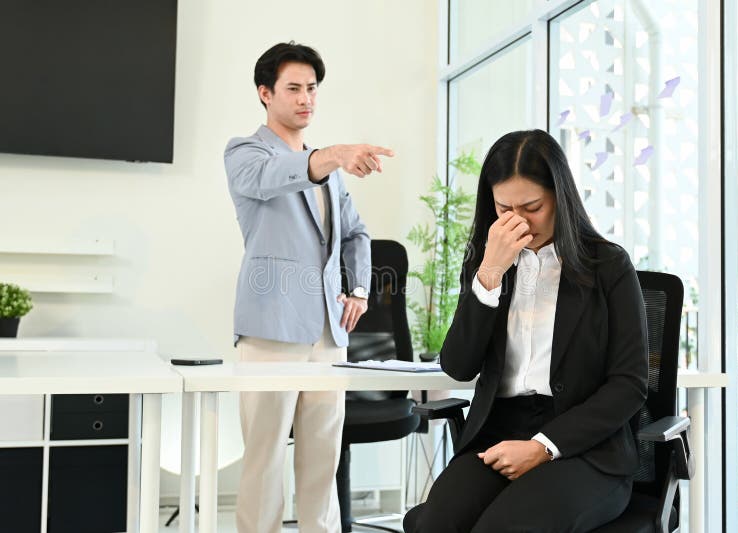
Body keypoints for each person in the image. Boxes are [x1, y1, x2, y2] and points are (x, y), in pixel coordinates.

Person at [403, 129, 648, 532]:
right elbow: (459, 366)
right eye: (504, 208)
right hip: (497, 435)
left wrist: (543, 447)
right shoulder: (491, 264)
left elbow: (629, 384)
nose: (517, 220)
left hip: (583, 447)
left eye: (532, 206)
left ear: (559, 198)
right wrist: (490, 273)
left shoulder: (608, 266)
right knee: (434, 525)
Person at [224, 42, 394, 533]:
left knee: (322, 460)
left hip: (327, 335)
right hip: (270, 331)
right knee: (264, 459)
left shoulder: (328, 174)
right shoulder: (246, 152)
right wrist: (334, 155)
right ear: (265, 93)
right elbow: (272, 178)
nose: (306, 99)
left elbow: (357, 232)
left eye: (312, 89)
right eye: (294, 88)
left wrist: (359, 289)